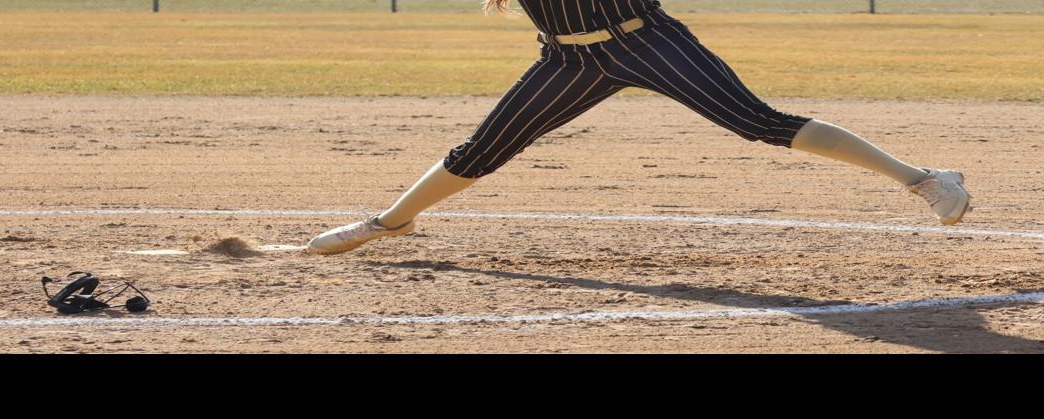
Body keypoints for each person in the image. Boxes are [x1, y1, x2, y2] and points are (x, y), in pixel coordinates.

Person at [308, 0, 971, 255]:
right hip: (569, 57)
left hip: (647, 41)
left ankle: (925, 180)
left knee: (758, 122)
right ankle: (391, 222)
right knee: (485, 147)